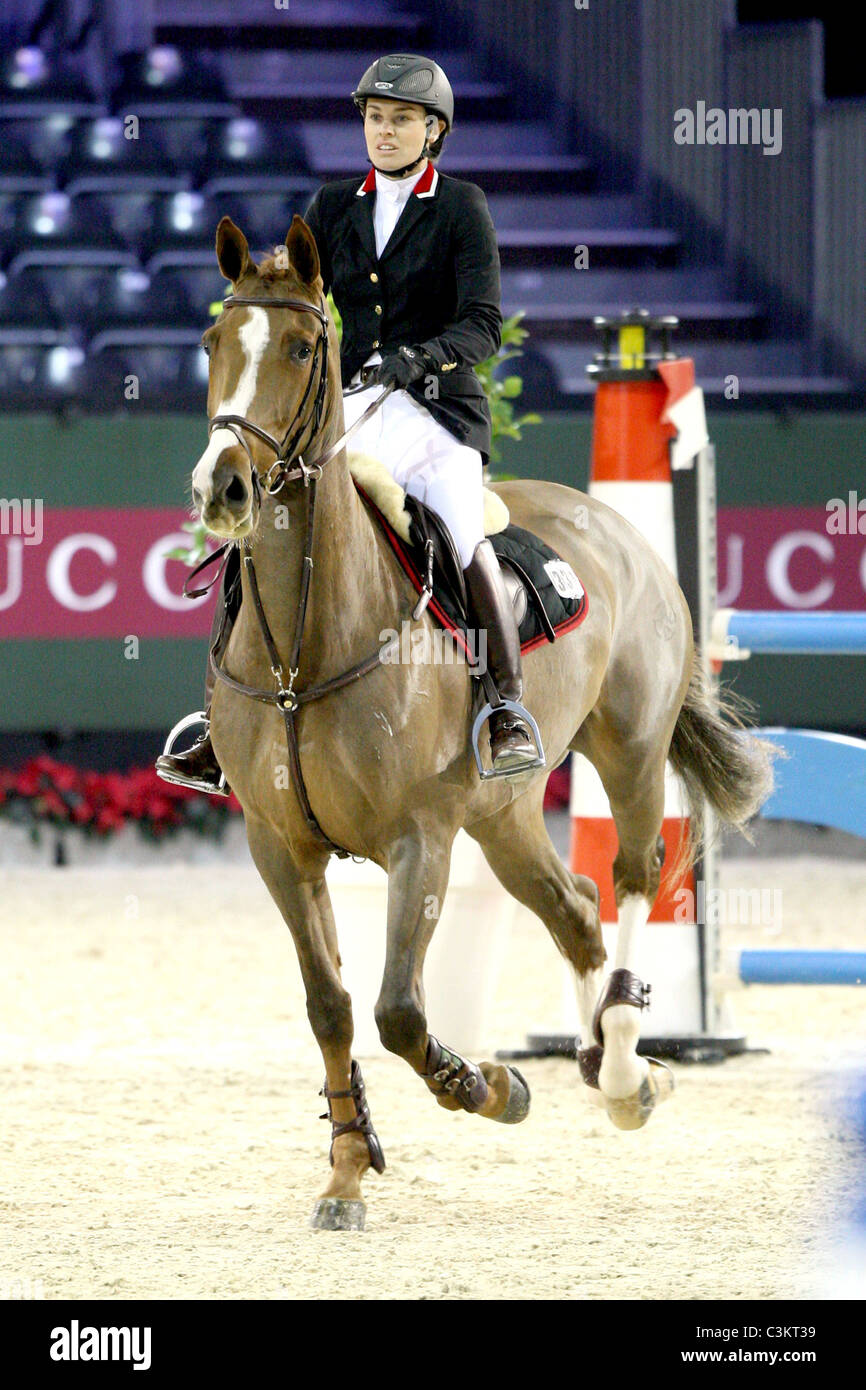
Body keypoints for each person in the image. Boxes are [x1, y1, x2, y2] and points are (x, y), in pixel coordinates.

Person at [156, 53, 539, 794]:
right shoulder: (334, 204)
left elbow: (483, 326)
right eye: (374, 118)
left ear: (433, 131)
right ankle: (216, 719)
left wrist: (411, 360)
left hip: (438, 410)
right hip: (354, 409)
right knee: (263, 526)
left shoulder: (461, 207)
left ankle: (504, 703)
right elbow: (304, 283)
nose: (385, 131)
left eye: (400, 120)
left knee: (460, 525)